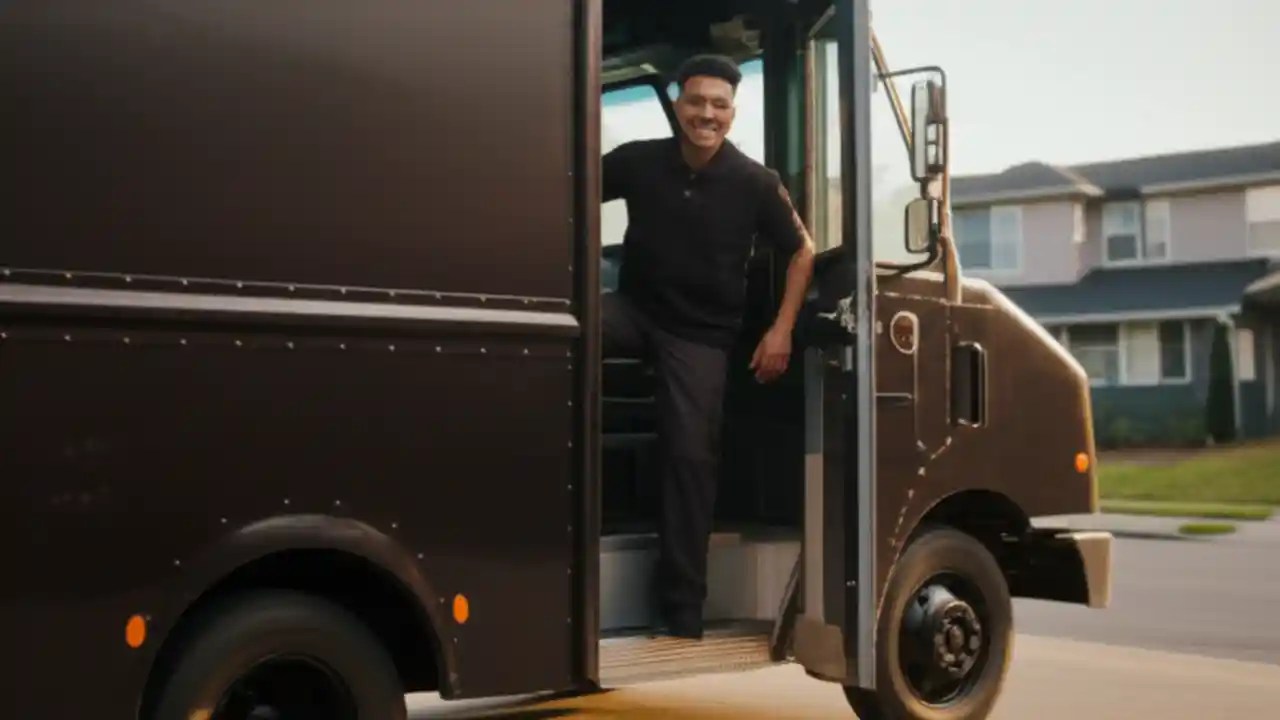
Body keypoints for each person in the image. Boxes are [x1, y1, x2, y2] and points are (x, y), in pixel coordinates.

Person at [601, 54, 816, 639]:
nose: (706, 114)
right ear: (678, 104)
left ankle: (680, 611)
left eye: (719, 105)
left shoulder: (755, 182)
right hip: (632, 312)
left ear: (732, 112)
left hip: (699, 337)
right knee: (566, 326)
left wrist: (781, 329)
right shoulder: (638, 161)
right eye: (696, 102)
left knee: (691, 458)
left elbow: (803, 251)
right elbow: (567, 194)